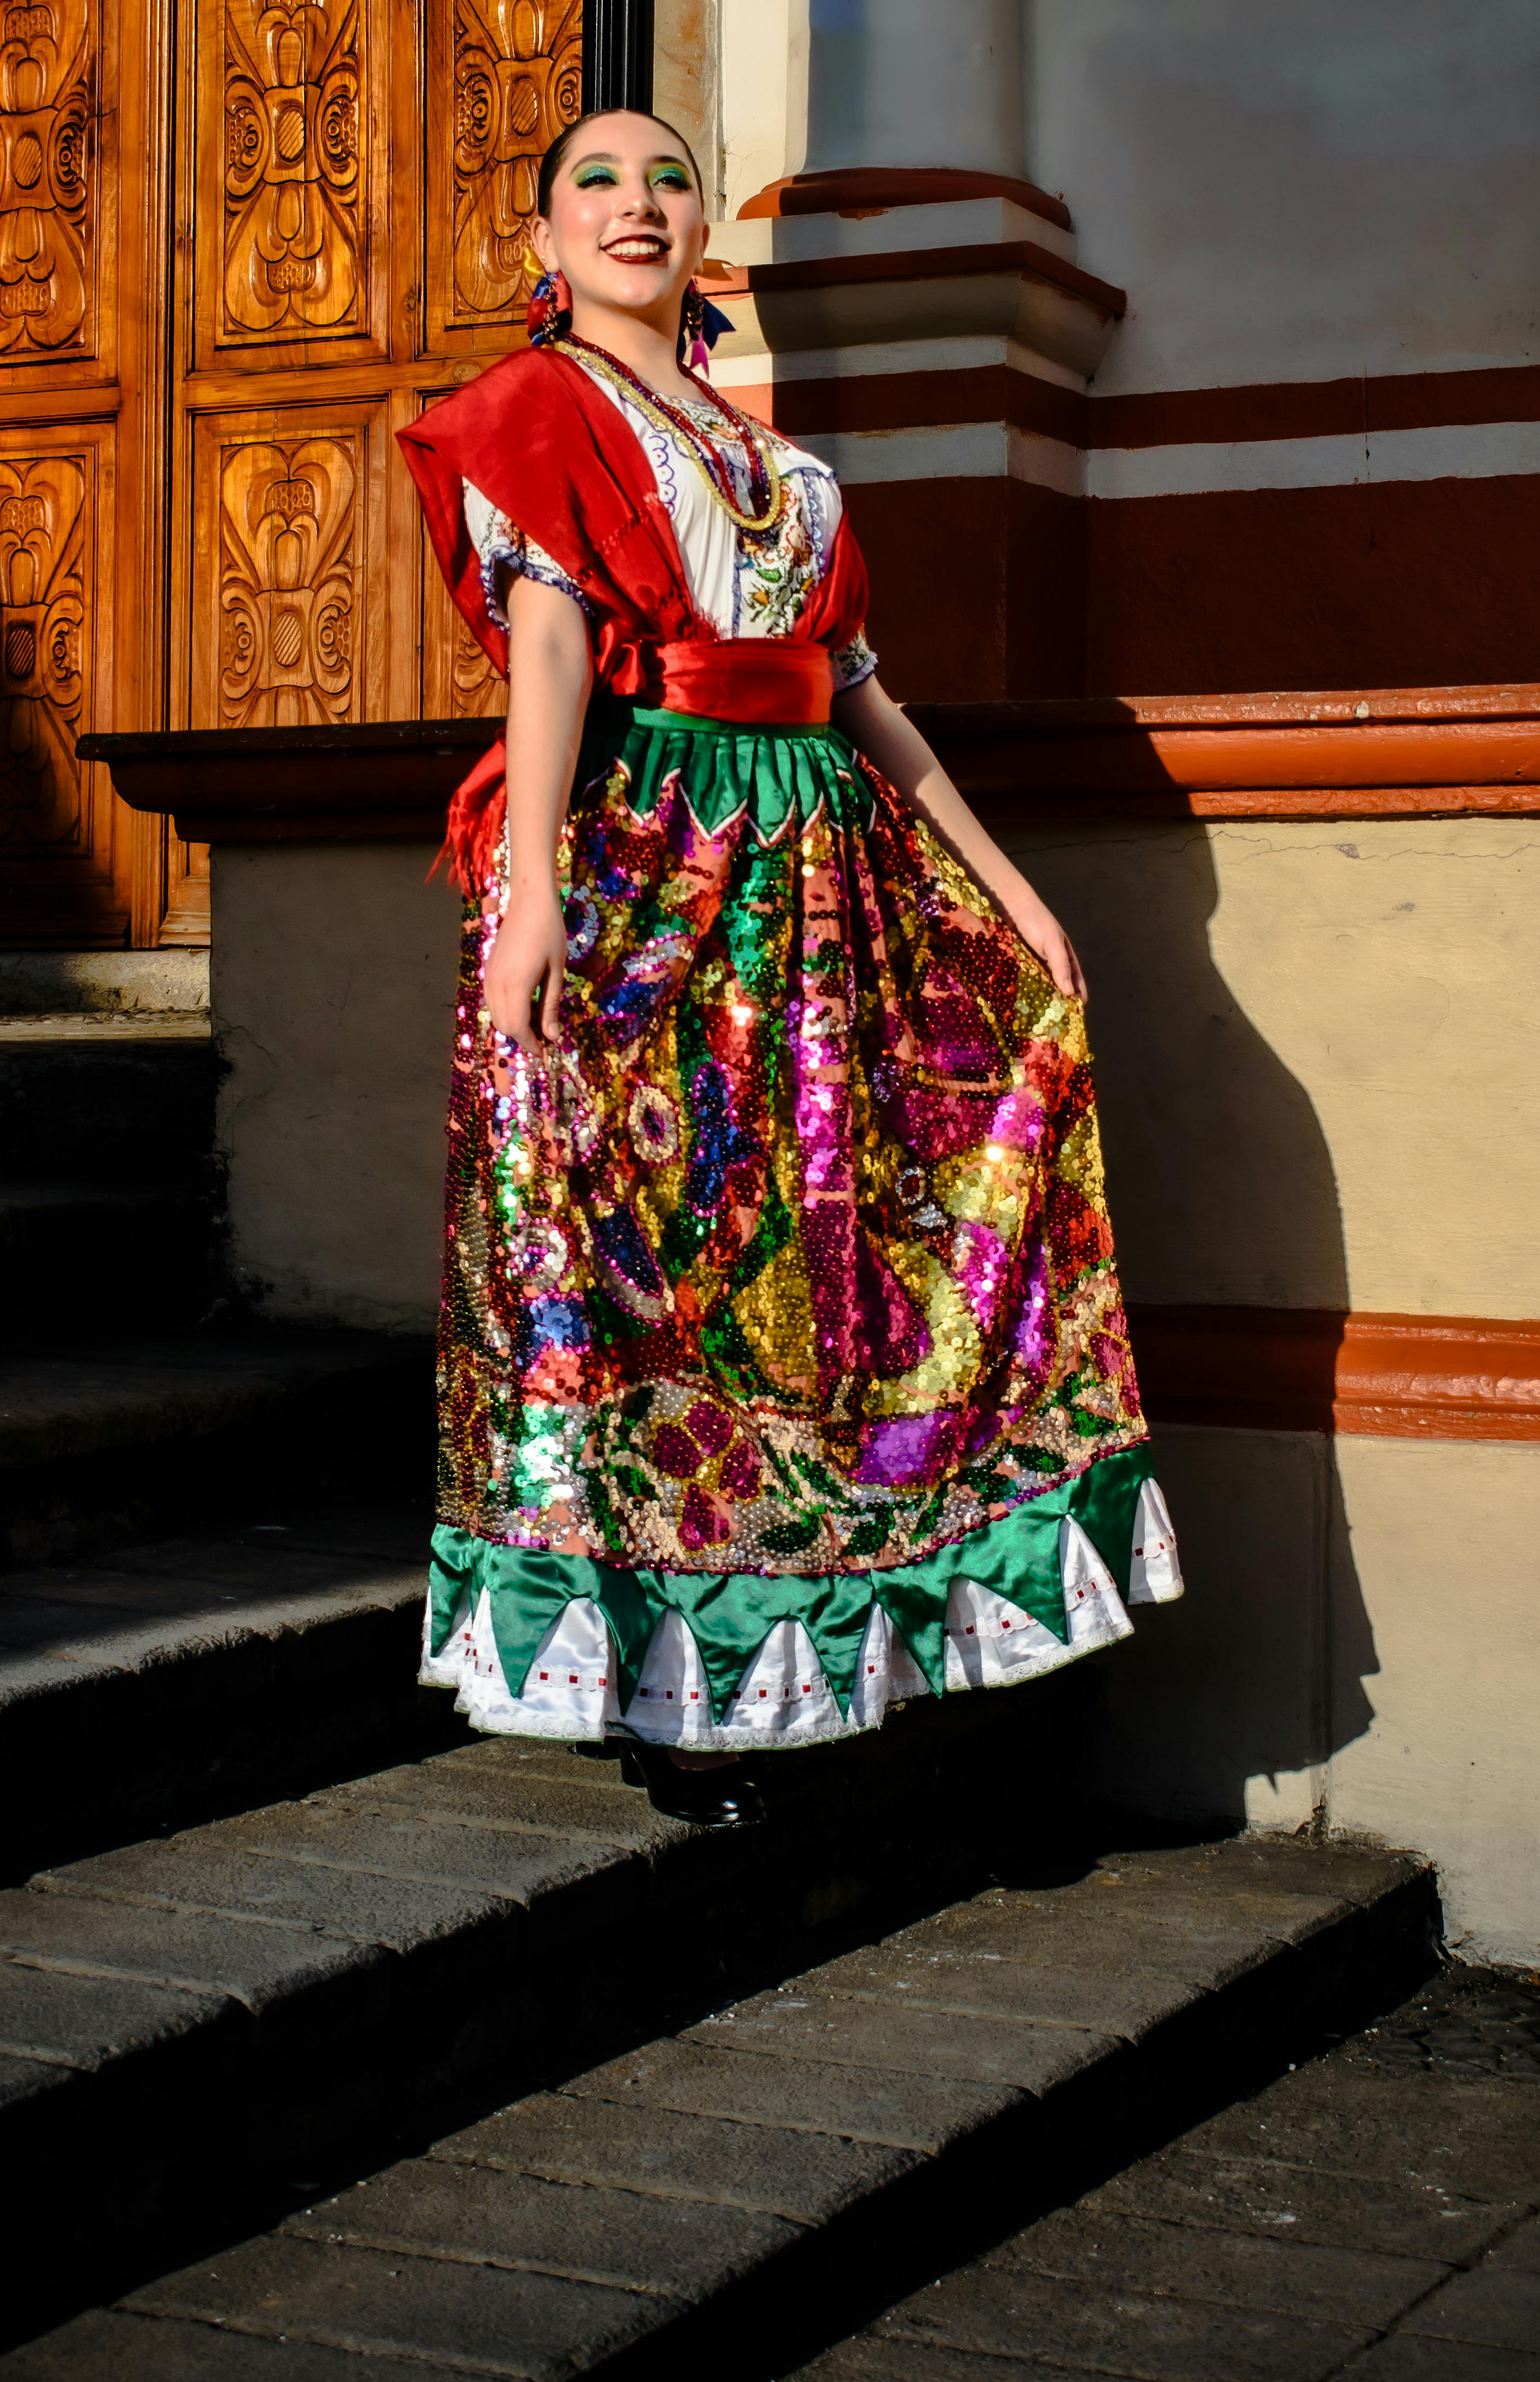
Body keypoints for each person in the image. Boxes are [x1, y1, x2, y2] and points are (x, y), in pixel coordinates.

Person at [397, 109, 1180, 1826]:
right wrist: (531, 892)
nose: (637, 202)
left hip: (827, 877)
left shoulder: (782, 466)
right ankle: (667, 1674)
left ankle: (828, 1654)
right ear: (540, 245)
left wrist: (1013, 886)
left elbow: (863, 696)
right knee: (657, 1262)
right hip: (654, 874)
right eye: (595, 181)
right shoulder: (539, 412)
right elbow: (546, 650)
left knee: (822, 1239)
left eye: (668, 177)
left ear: (703, 242)